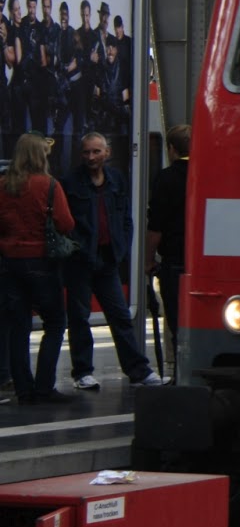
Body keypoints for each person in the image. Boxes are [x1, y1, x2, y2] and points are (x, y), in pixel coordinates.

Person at [61, 131, 165, 390]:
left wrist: (121, 247)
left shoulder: (116, 179)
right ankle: (83, 372)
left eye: (96, 151)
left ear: (107, 153)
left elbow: (125, 218)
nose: (91, 157)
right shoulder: (71, 182)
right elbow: (66, 222)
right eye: (86, 152)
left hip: (107, 259)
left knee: (119, 316)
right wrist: (78, 248)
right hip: (81, 260)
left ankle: (138, 371)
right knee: (79, 317)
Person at [0, 132, 74, 404]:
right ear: (39, 155)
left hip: (10, 263)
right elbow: (66, 224)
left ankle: (23, 389)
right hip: (41, 261)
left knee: (18, 326)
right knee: (55, 323)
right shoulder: (48, 185)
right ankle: (44, 387)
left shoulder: (3, 185)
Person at [146, 124, 189, 355]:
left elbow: (156, 226)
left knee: (176, 318)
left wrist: (148, 260)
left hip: (174, 259)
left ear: (172, 149)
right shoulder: (209, 173)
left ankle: (180, 372)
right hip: (202, 260)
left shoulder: (166, 178)